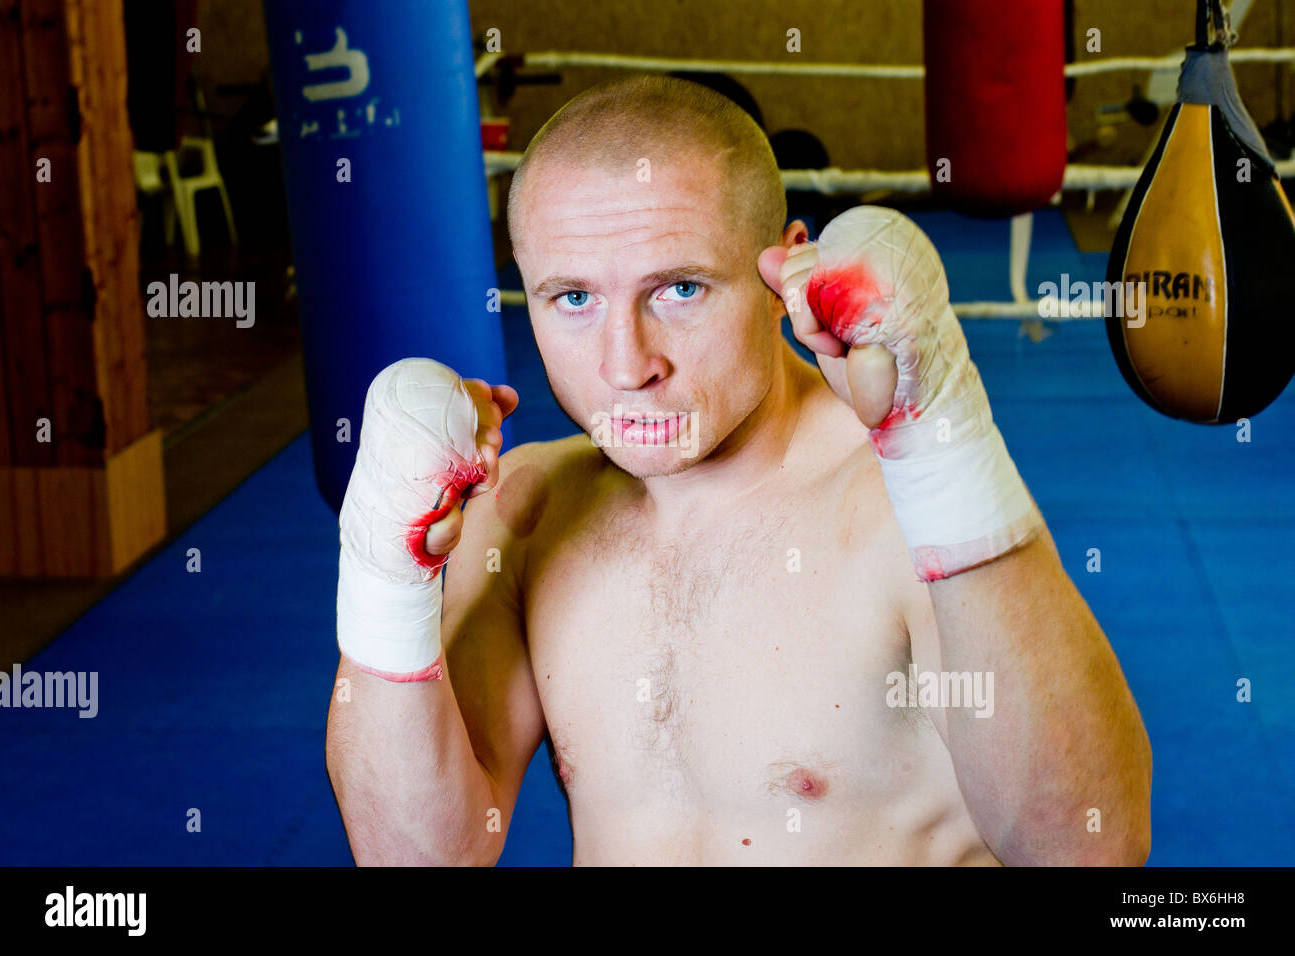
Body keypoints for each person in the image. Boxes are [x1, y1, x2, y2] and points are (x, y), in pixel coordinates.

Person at [326, 74, 1152, 866]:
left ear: (781, 273)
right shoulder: (528, 515)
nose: (626, 365)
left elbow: (1087, 848)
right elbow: (418, 858)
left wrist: (944, 445)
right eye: (572, 298)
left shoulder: (902, 505)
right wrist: (380, 582)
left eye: (679, 288)